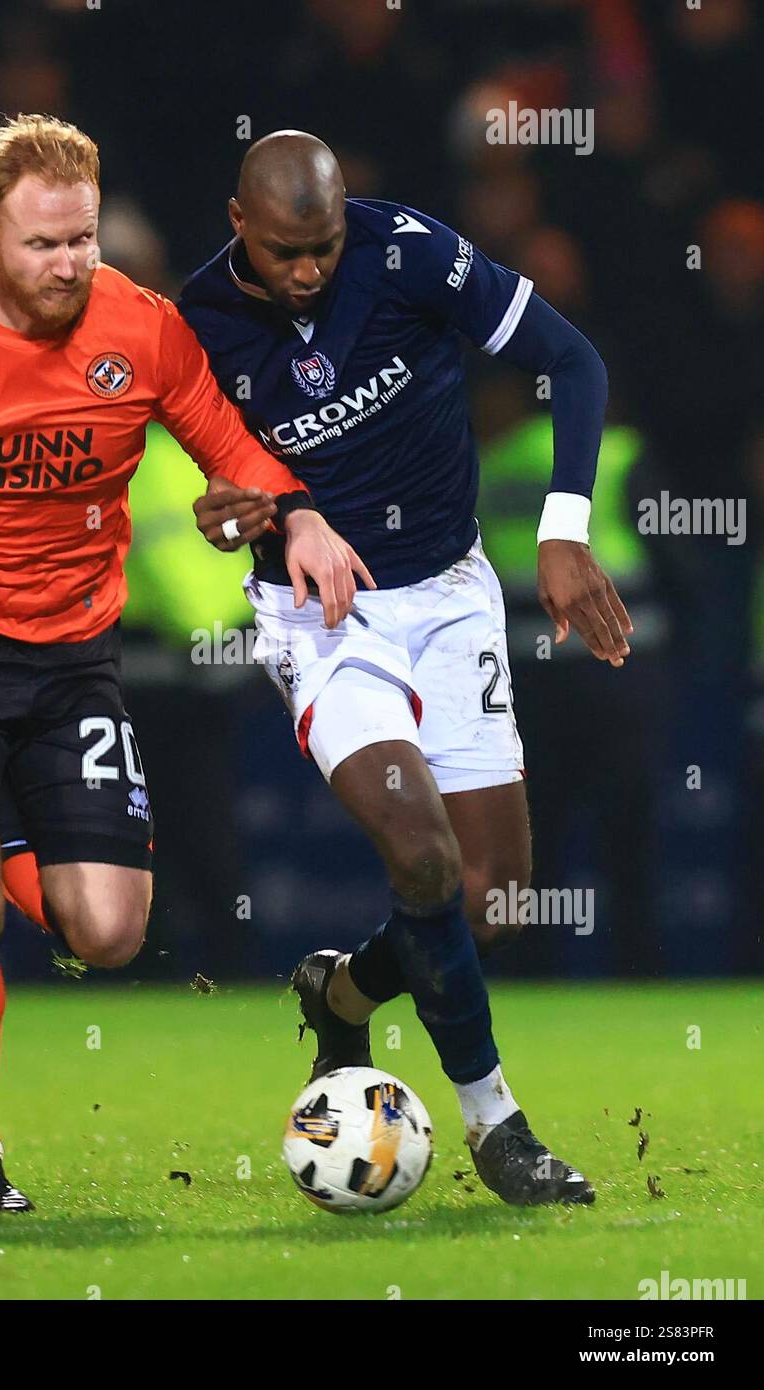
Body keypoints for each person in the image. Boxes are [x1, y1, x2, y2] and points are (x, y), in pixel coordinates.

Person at [0, 115, 369, 1215]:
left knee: (111, 935)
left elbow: (229, 444)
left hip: (72, 659)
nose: (69, 265)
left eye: (83, 240)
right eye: (42, 245)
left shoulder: (142, 329)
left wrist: (283, 515)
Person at [183, 131, 633, 1206]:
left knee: (492, 900)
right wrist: (227, 511)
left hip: (449, 593)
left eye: (324, 246)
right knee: (423, 859)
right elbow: (215, 482)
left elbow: (573, 360)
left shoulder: (408, 254)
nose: (308, 270)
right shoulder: (194, 323)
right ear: (239, 224)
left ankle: (342, 994)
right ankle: (496, 1124)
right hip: (324, 618)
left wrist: (563, 531)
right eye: (287, 251)